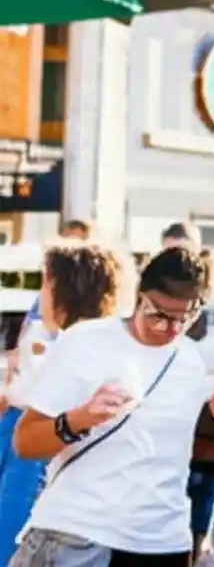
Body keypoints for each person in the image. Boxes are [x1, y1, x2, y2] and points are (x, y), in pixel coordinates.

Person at [11, 246, 214, 565]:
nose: (170, 329)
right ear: (139, 297)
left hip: (162, 543)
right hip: (78, 535)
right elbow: (25, 441)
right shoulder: (87, 341)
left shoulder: (193, 359)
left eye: (185, 318)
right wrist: (81, 418)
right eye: (159, 315)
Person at [0, 240, 124, 565]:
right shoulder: (81, 342)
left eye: (45, 284)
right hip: (24, 441)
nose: (40, 296)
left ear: (64, 292)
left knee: (7, 539)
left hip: (40, 460)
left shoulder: (77, 350)